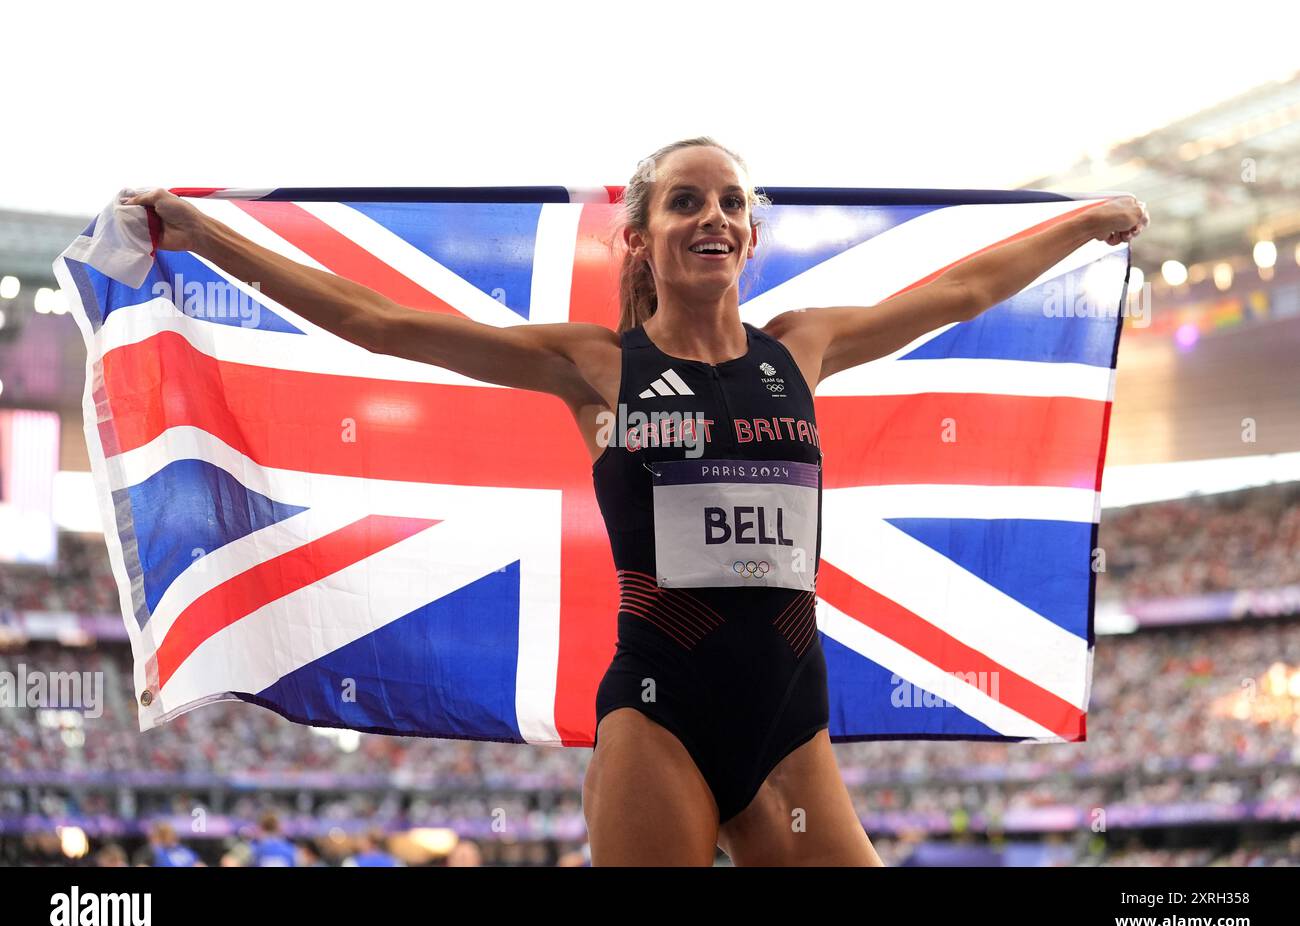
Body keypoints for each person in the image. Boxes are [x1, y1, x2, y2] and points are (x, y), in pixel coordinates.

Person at [124, 137, 1147, 866]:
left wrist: (1084, 225)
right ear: (644, 241)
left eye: (732, 204)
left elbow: (962, 294)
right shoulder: (598, 366)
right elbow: (376, 322)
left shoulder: (804, 345)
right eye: (686, 201)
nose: (714, 215)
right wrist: (208, 238)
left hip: (793, 721)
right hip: (662, 716)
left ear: (750, 239)